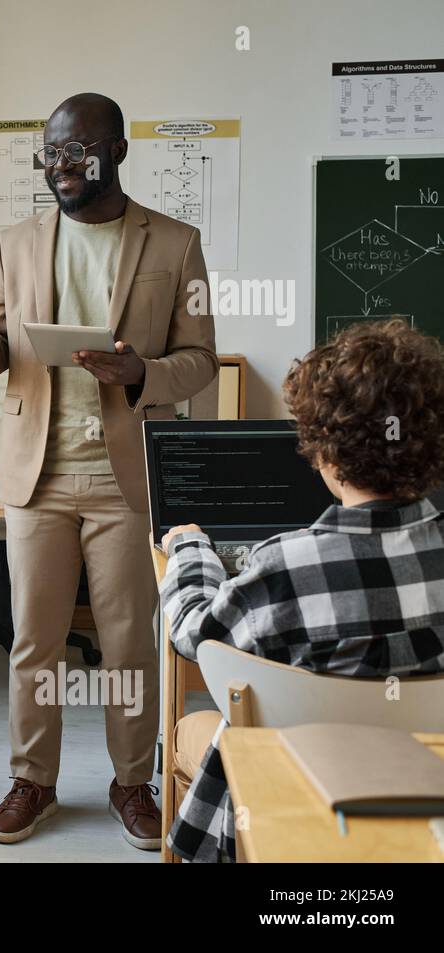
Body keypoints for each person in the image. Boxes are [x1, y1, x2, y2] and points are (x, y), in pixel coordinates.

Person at [0, 92, 217, 849]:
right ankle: (33, 780)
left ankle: (131, 783)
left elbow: (201, 361)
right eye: (48, 154)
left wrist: (137, 369)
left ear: (116, 150)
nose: (60, 167)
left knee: (127, 643)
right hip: (36, 474)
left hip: (123, 480)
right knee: (34, 641)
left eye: (75, 152)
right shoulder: (12, 243)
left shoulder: (176, 243)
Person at [161, 319, 444, 862]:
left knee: (194, 727)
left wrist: (192, 549)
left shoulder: (285, 567)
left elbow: (194, 635)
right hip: (427, 775)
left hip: (301, 773)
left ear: (324, 453)